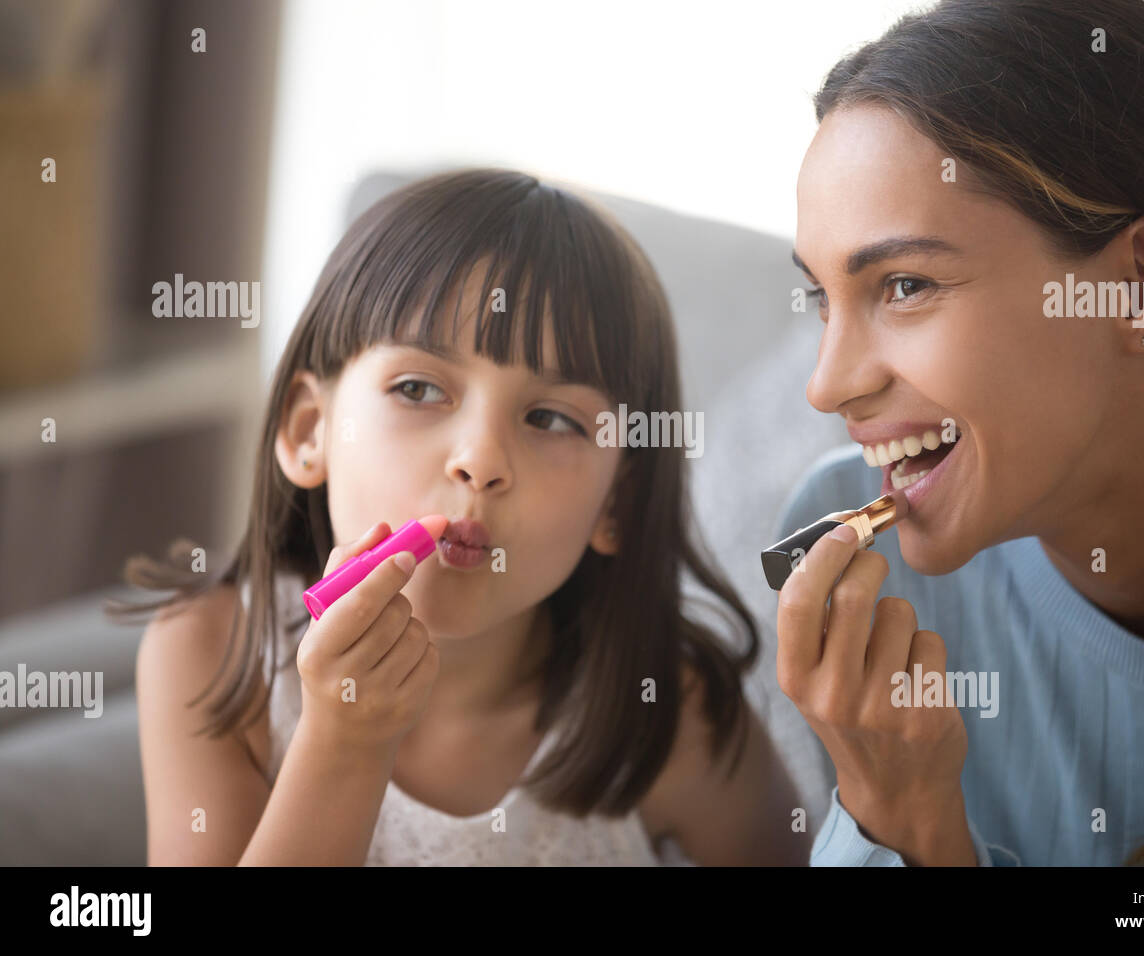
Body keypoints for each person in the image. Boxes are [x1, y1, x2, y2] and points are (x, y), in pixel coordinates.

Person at [123, 168, 809, 865]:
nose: (480, 460)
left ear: (617, 503)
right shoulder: (209, 653)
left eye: (548, 418)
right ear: (309, 432)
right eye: (418, 389)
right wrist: (343, 743)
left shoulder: (671, 715)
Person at [776, 0, 1144, 865]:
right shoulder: (856, 559)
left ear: (1136, 285)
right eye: (819, 298)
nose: (827, 384)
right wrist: (894, 819)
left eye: (904, 286)